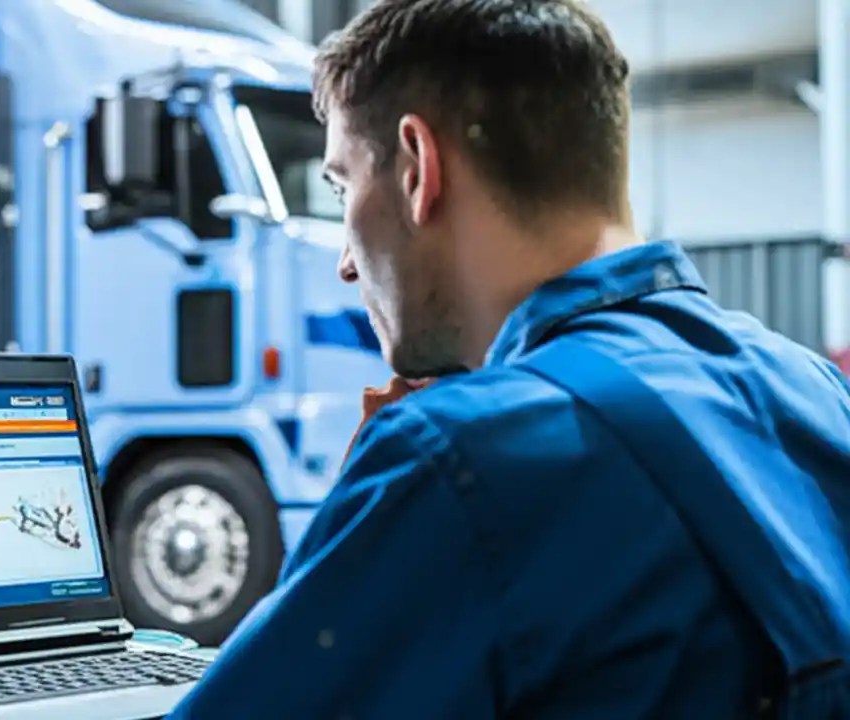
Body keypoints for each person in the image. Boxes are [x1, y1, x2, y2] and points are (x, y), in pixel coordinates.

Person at [168, 0, 850, 717]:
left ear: (417, 168)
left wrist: (397, 485)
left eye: (342, 187)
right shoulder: (812, 389)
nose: (344, 261)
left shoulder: (461, 458)